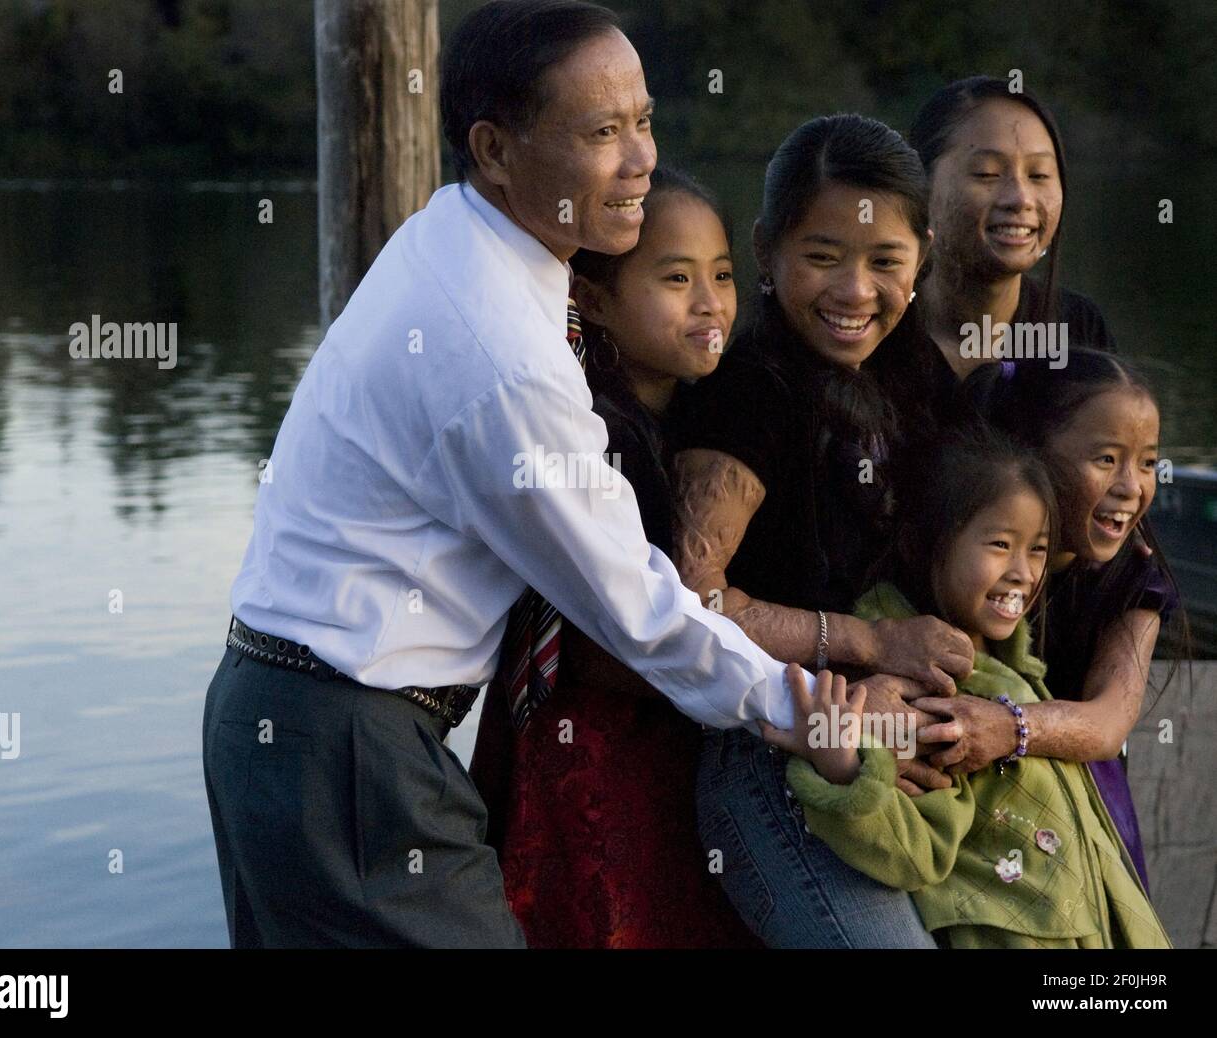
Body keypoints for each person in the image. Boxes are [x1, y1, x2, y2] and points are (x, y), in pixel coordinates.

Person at [202, 0, 806, 950]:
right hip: (347, 747)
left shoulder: (457, 240)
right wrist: (800, 709)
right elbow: (633, 608)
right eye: (602, 132)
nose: (642, 158)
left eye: (644, 120)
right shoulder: (502, 354)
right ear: (493, 147)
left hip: (297, 724)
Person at [674, 115, 957, 948]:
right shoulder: (746, 391)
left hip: (897, 750)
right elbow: (693, 603)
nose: (854, 293)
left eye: (886, 262)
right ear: (765, 251)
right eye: (823, 258)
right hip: (771, 758)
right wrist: (873, 646)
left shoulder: (914, 373)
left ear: (925, 256)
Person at [469, 166, 760, 947]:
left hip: (675, 724)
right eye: (675, 279)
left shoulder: (707, 417)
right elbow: (595, 645)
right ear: (592, 300)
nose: (710, 304)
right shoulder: (586, 425)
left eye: (724, 276)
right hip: (591, 745)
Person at [776, 426, 1170, 948]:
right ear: (925, 544)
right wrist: (844, 771)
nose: (1022, 573)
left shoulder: (1015, 671)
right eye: (1001, 545)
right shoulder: (919, 687)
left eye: (1038, 550)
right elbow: (918, 853)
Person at [920, 349, 1185, 892]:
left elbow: (1109, 721)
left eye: (1146, 463)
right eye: (1106, 459)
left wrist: (1007, 727)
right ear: (1033, 451)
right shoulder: (962, 554)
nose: (1132, 487)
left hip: (1082, 818)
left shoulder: (1133, 581)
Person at [882, 75, 1115, 417]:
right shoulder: (873, 325)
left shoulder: (1078, 329)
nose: (1020, 198)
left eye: (1039, 175)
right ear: (920, 187)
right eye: (987, 174)